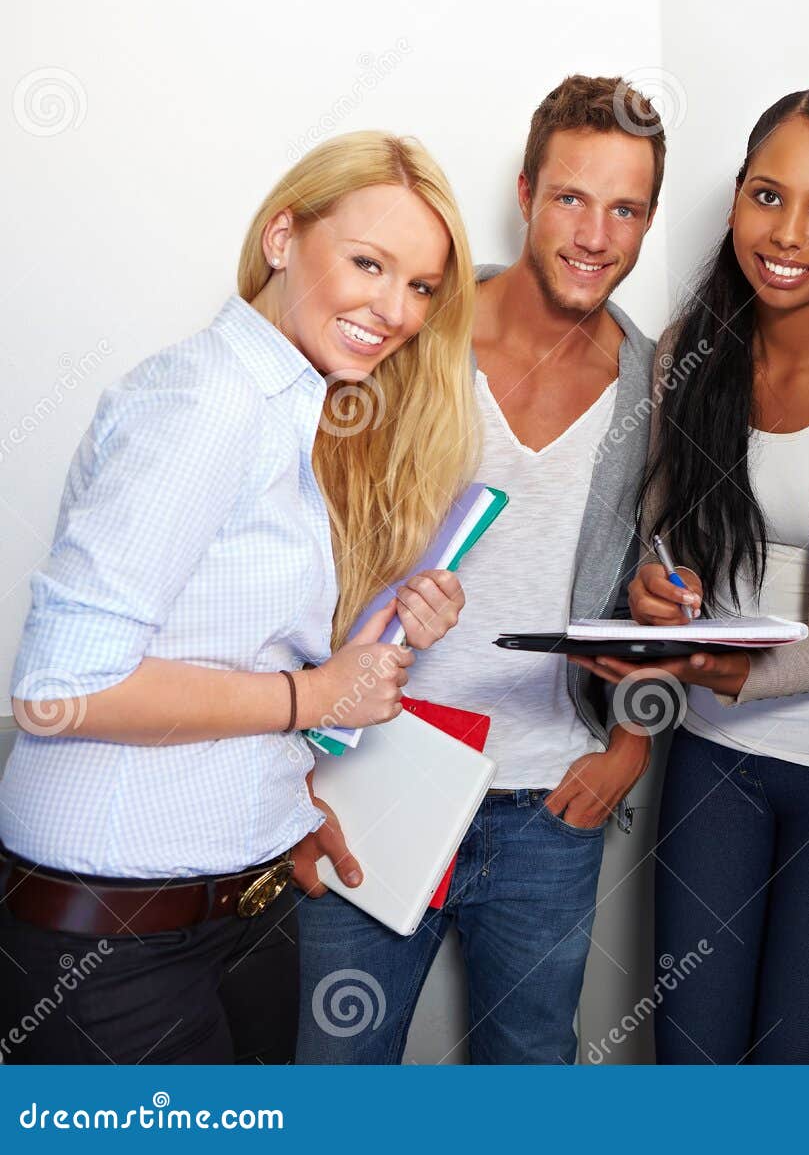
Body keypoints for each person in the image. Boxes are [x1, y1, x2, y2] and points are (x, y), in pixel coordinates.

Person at [0, 131, 478, 1064]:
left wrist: (283, 804)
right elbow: (61, 690)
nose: (395, 310)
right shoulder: (207, 403)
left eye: (421, 287)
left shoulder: (288, 414)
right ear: (281, 237)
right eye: (369, 263)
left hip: (230, 908)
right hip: (118, 952)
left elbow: (226, 649)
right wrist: (311, 696)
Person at [573, 86, 809, 1064]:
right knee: (692, 1061)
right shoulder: (686, 354)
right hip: (711, 758)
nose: (788, 232)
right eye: (767, 195)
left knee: (798, 1071)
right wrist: (654, 599)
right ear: (738, 199)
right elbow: (664, 545)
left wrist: (752, 669)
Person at [295, 76, 664, 1066]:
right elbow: (313, 537)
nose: (595, 233)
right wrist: (297, 762)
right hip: (374, 769)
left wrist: (627, 748)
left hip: (548, 797)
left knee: (529, 1076)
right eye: (573, 198)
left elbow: (666, 581)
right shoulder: (418, 334)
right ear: (527, 193)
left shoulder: (655, 383)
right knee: (337, 1071)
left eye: (625, 208)